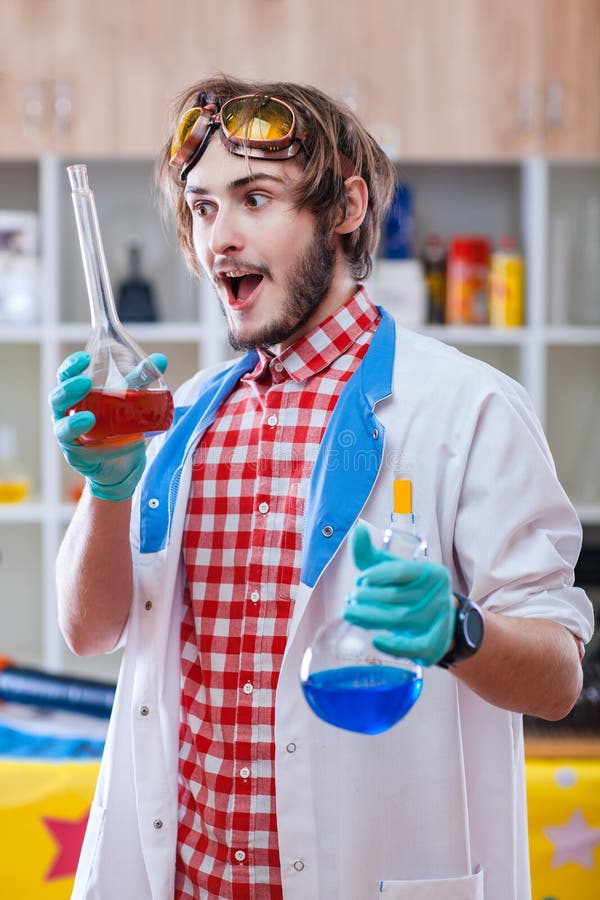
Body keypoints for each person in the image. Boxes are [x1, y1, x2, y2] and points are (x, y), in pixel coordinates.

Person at [50, 75, 594, 900]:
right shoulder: (183, 416)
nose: (218, 240)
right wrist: (111, 487)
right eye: (202, 210)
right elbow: (89, 631)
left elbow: (557, 678)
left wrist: (458, 631)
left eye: (254, 199)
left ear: (344, 207)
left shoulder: (469, 409)